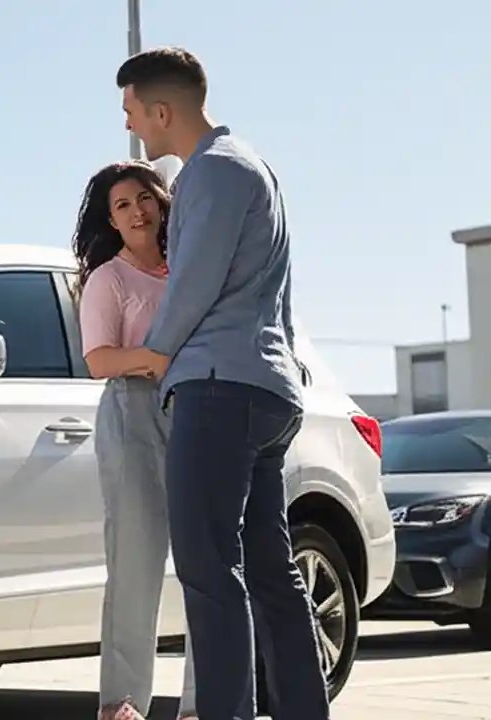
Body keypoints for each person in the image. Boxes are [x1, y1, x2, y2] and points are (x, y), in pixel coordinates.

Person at [114, 47, 327, 720]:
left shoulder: (212, 172)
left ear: (161, 110)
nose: (132, 129)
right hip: (266, 391)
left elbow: (193, 284)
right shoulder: (254, 168)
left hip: (218, 389)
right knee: (269, 571)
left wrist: (152, 354)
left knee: (208, 571)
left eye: (132, 113)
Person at [73, 159, 197, 720]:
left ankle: (206, 699)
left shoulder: (191, 269)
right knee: (136, 563)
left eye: (145, 198)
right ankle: (122, 702)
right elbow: (99, 360)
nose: (138, 211)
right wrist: (157, 359)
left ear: (164, 201)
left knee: (208, 563)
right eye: (123, 206)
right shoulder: (109, 279)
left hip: (196, 412)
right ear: (112, 221)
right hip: (133, 413)